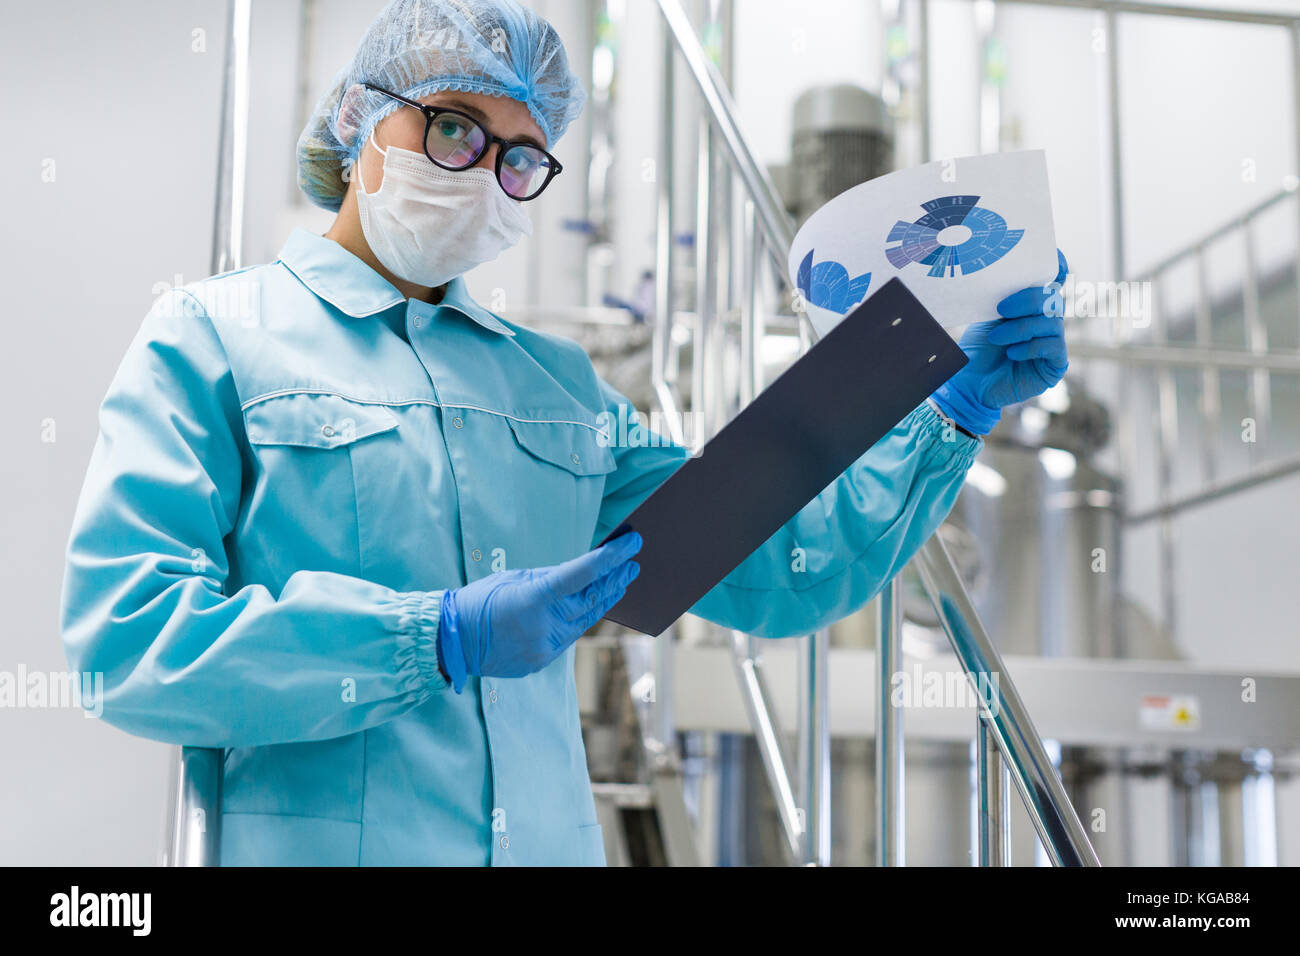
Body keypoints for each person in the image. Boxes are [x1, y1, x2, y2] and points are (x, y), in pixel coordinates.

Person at [59, 0, 1069, 866]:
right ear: (361, 118)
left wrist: (945, 406)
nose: (482, 171)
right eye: (453, 131)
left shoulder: (558, 388)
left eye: (520, 157)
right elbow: (129, 640)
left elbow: (780, 562)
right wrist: (431, 636)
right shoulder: (215, 337)